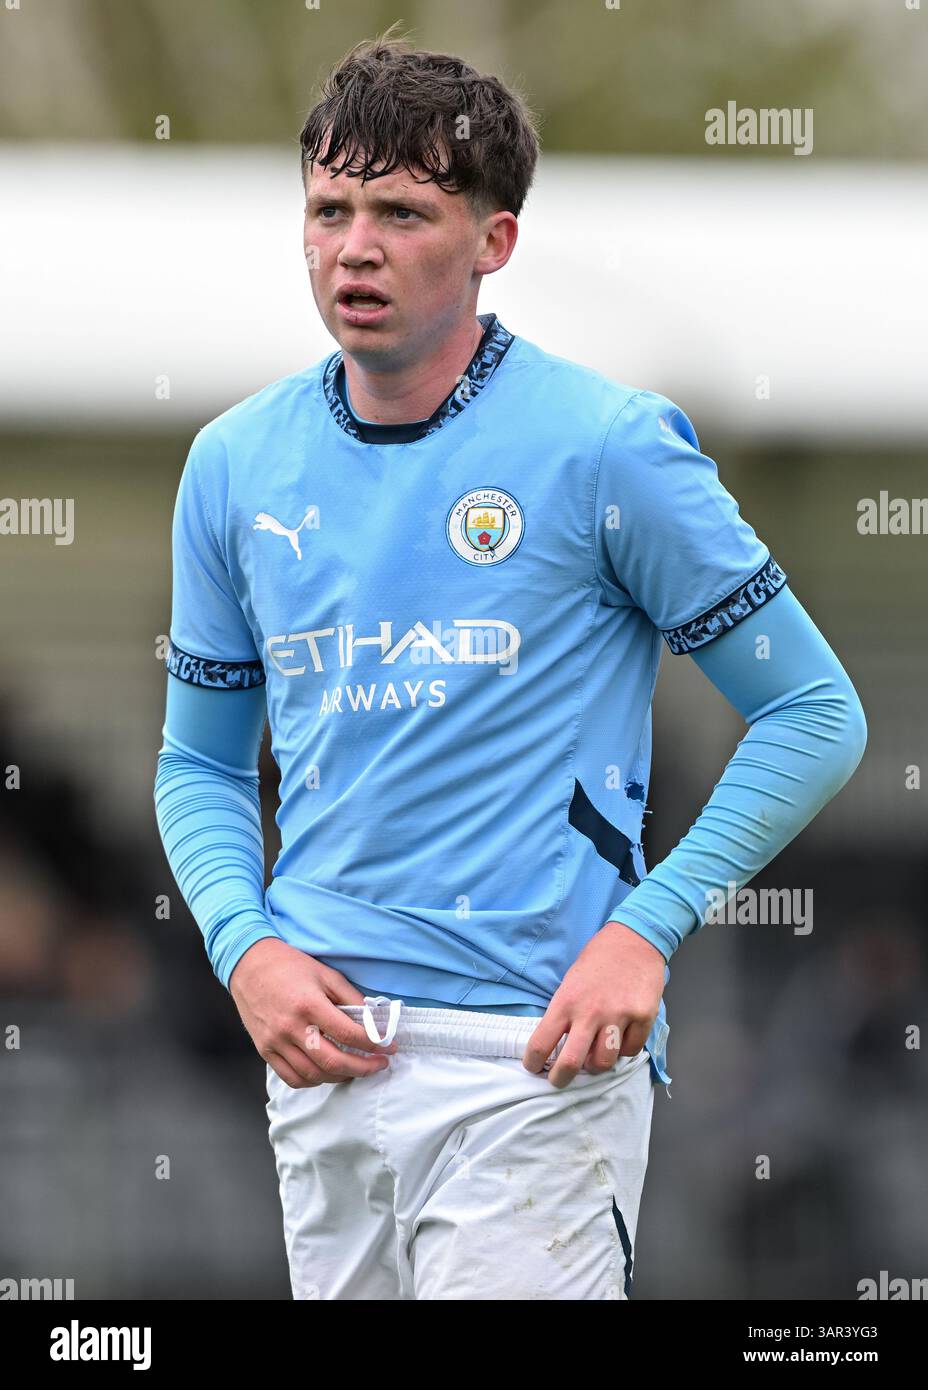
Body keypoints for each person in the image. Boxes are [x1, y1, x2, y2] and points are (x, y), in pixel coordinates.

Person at [153, 33, 867, 1301]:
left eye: (403, 211)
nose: (354, 245)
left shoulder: (604, 446)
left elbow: (813, 712)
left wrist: (646, 929)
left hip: (529, 1063)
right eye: (329, 209)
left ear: (493, 241)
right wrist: (242, 946)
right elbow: (197, 762)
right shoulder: (232, 464)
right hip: (324, 1060)